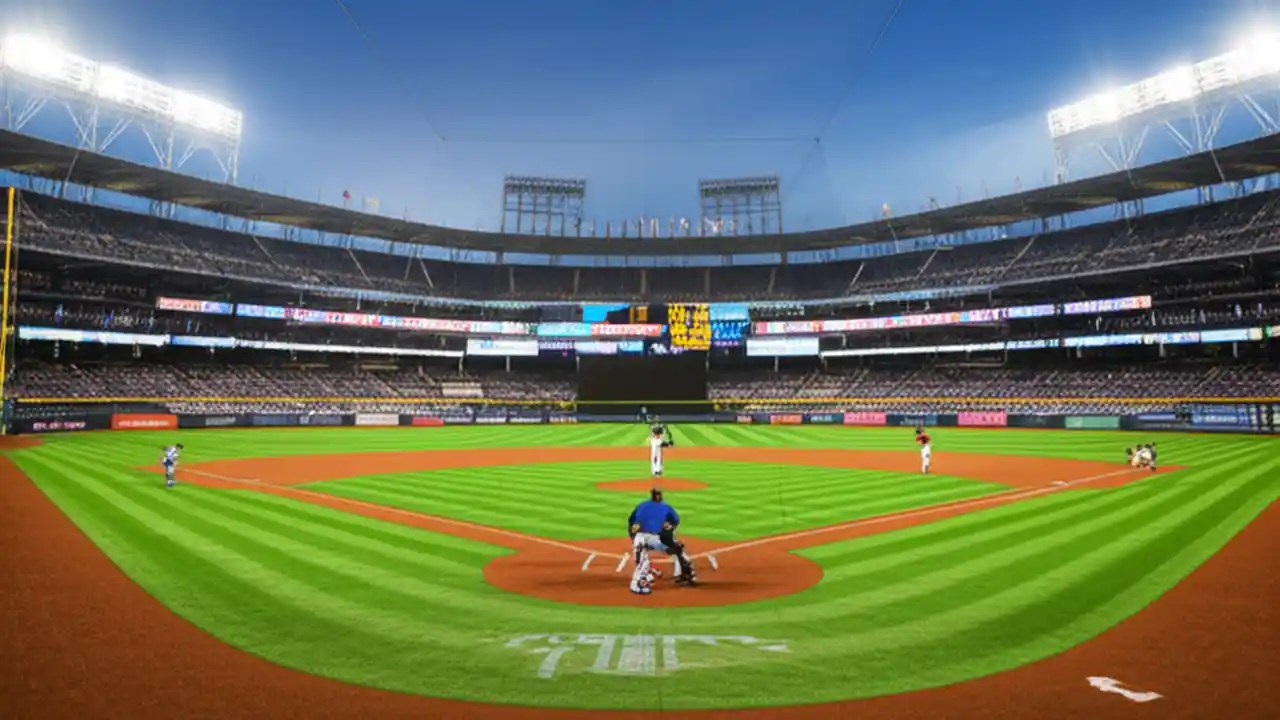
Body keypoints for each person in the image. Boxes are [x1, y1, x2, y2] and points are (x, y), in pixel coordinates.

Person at [627, 488, 696, 593]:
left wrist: (633, 538)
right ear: (661, 496)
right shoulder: (666, 507)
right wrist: (670, 536)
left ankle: (642, 578)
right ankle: (686, 574)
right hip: (657, 539)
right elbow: (675, 522)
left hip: (640, 538)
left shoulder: (642, 505)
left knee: (641, 557)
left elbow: (631, 521)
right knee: (677, 550)